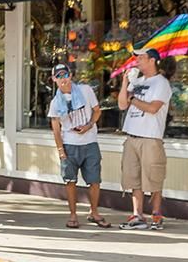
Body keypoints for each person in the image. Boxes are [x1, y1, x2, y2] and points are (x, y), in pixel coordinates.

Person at [47, 64, 109, 228]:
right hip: (69, 144)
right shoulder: (55, 103)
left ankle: (94, 212)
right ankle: (73, 215)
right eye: (59, 76)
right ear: (54, 79)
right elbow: (56, 129)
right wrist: (61, 150)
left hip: (90, 142)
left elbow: (97, 111)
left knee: (94, 180)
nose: (63, 79)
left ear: (71, 75)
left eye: (65, 75)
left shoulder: (85, 90)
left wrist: (89, 125)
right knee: (70, 181)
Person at [117, 47, 172, 230]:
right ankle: (137, 214)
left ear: (152, 60)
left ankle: (156, 214)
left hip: (150, 136)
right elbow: (122, 104)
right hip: (132, 135)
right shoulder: (137, 81)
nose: (137, 61)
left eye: (141, 58)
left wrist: (133, 99)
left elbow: (153, 108)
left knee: (153, 176)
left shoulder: (161, 83)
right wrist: (125, 83)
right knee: (133, 177)